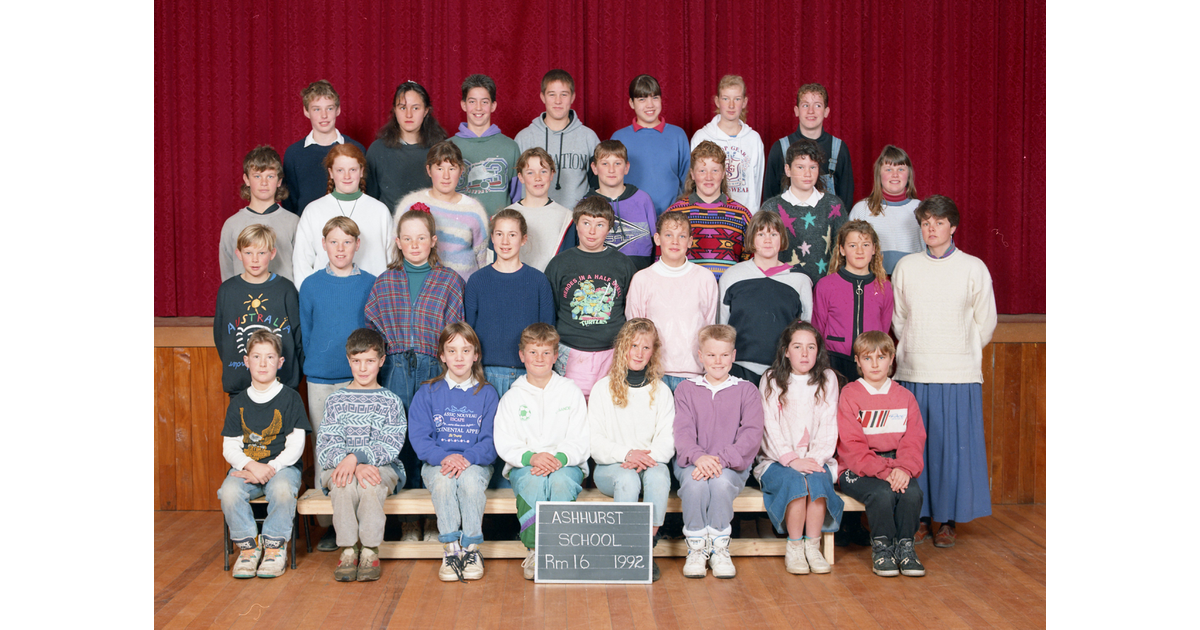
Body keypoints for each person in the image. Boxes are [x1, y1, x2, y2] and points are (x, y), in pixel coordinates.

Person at [891, 195, 997, 547]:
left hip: (957, 374)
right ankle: (919, 517)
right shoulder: (907, 267)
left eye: (938, 222)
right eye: (925, 223)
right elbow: (900, 319)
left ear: (952, 226)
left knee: (952, 450)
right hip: (915, 371)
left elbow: (986, 322)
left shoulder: (973, 268)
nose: (931, 228)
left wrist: (959, 352)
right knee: (916, 450)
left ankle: (948, 521)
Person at [365, 208, 465, 538]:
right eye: (407, 238)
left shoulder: (449, 280)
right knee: (399, 439)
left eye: (421, 237)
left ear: (433, 240)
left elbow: (456, 331)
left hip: (433, 367)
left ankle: (437, 516)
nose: (414, 243)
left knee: (435, 436)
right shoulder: (385, 282)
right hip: (394, 365)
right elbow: (373, 328)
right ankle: (407, 520)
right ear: (398, 242)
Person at [298, 216, 377, 551]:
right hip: (320, 378)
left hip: (357, 379)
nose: (340, 248)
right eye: (334, 241)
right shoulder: (311, 286)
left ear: (358, 245)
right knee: (327, 449)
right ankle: (329, 525)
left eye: (347, 241)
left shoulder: (371, 283)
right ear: (324, 245)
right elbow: (305, 330)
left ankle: (360, 520)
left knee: (358, 447)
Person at [493, 323, 590, 580]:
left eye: (546, 352)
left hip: (565, 464)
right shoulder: (512, 398)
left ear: (556, 356)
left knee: (559, 483)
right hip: (526, 465)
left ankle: (558, 550)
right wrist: (532, 457)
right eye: (533, 352)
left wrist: (559, 459)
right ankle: (535, 550)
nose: (539, 358)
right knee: (534, 482)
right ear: (522, 355)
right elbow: (504, 441)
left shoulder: (570, 392)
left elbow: (580, 438)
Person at [672, 324, 765, 579]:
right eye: (711, 355)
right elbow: (682, 431)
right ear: (700, 356)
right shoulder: (686, 389)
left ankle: (720, 547)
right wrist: (699, 457)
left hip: (731, 465)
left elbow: (751, 434)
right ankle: (697, 549)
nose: (718, 361)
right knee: (695, 484)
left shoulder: (747, 390)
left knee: (721, 484)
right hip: (693, 461)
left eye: (724, 355)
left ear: (733, 356)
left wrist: (721, 460)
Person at [409, 322, 499, 582]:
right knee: (444, 481)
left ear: (476, 355)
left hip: (476, 464)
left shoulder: (487, 393)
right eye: (452, 351)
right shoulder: (427, 392)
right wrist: (444, 457)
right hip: (439, 463)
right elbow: (419, 437)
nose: (459, 357)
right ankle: (451, 550)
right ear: (441, 355)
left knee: (470, 481)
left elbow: (491, 440)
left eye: (465, 350)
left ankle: (471, 549)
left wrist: (468, 458)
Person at [587, 318, 675, 582]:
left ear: (653, 352)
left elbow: (667, 440)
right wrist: (627, 454)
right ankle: (623, 550)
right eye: (633, 345)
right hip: (611, 468)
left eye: (646, 348)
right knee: (627, 478)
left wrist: (643, 459)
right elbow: (594, 441)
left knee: (659, 475)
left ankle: (645, 549)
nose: (639, 353)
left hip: (650, 465)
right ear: (622, 348)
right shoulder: (603, 389)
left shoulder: (661, 391)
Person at [218, 330, 311, 578]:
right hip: (247, 469)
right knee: (228, 491)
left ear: (280, 363)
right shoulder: (238, 402)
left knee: (282, 490)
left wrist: (271, 467)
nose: (262, 363)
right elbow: (230, 446)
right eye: (256, 357)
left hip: (282, 468)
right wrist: (251, 465)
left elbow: (296, 444)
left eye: (270, 357)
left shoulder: (291, 398)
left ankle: (274, 546)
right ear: (246, 361)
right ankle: (248, 548)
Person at [316, 328, 406, 582]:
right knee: (343, 486)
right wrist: (353, 464)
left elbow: (391, 443)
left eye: (369, 361)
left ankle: (369, 550)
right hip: (339, 467)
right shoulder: (336, 400)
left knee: (369, 485)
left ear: (382, 361)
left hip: (382, 466)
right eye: (356, 361)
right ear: (348, 361)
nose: (363, 368)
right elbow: (326, 444)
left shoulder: (390, 401)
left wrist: (357, 458)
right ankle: (347, 550)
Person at [755, 321, 844, 575]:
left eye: (811, 347)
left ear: (818, 351)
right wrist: (792, 459)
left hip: (816, 458)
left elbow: (829, 427)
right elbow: (769, 426)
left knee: (816, 479)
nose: (804, 354)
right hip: (777, 460)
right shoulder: (771, 379)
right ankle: (794, 547)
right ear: (786, 351)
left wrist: (814, 459)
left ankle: (812, 546)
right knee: (796, 482)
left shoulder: (827, 379)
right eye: (797, 347)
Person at [836, 331, 927, 577]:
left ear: (892, 359)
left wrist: (904, 469)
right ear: (857, 361)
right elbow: (852, 447)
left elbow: (914, 440)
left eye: (881, 357)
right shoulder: (850, 395)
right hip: (857, 469)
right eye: (867, 358)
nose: (875, 364)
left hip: (898, 466)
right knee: (882, 493)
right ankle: (883, 549)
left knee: (912, 493)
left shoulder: (904, 397)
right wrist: (887, 472)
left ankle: (905, 548)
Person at [543, 197, 638, 399]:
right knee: (570, 408)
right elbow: (552, 310)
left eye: (600, 224)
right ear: (576, 224)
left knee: (609, 407)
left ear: (609, 228)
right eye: (586, 223)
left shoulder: (623, 264)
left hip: (612, 352)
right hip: (570, 351)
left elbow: (629, 309)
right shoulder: (560, 264)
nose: (592, 231)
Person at [465, 208, 555, 398]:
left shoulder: (538, 281)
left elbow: (547, 333)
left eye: (512, 235)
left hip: (527, 373)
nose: (505, 241)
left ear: (523, 239)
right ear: (492, 238)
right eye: (499, 234)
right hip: (484, 373)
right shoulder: (477, 281)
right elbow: (468, 332)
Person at [625, 211, 718, 391]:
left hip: (694, 375)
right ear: (657, 239)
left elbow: (710, 328)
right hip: (654, 374)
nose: (675, 242)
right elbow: (634, 331)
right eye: (669, 235)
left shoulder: (705, 278)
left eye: (681, 236)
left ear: (690, 242)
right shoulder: (642, 279)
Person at [717, 211, 812, 383]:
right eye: (761, 234)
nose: (767, 240)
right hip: (739, 368)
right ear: (752, 239)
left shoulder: (800, 280)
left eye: (773, 234)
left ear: (782, 239)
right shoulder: (732, 276)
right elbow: (722, 326)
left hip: (783, 369)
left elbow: (806, 328)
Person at [213, 224, 301, 395]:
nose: (255, 259)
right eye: (248, 253)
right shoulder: (227, 290)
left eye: (261, 253)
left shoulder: (286, 289)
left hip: (283, 384)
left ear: (272, 254)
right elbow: (221, 336)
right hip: (241, 384)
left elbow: (297, 336)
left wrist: (292, 376)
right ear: (238, 254)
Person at [292, 143, 392, 289]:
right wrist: (310, 296)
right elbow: (302, 263)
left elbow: (392, 260)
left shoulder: (380, 211)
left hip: (372, 298)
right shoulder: (313, 211)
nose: (347, 176)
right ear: (331, 173)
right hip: (325, 296)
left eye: (353, 169)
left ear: (362, 171)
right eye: (340, 170)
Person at [393, 141, 490, 282]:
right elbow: (396, 251)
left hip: (463, 289)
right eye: (439, 168)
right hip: (422, 289)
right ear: (429, 170)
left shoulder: (474, 210)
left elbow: (483, 259)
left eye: (452, 168)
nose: (446, 176)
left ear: (461, 170)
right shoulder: (409, 204)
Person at [812, 220, 894, 385]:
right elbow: (817, 328)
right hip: (834, 361)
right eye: (852, 245)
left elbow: (883, 329)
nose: (859, 251)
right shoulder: (826, 285)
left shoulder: (884, 287)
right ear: (842, 249)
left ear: (874, 249)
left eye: (865, 245)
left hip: (871, 363)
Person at [759, 139, 847, 290]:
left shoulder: (833, 205)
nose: (807, 174)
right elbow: (762, 254)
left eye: (813, 167)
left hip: (825, 290)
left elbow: (843, 251)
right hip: (782, 289)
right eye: (800, 167)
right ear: (788, 169)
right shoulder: (771, 208)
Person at [514, 69, 601, 211]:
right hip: (533, 217)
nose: (558, 101)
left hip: (577, 221)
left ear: (573, 97)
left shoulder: (589, 137)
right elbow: (514, 187)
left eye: (564, 94)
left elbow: (598, 185)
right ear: (542, 97)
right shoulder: (524, 138)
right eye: (552, 94)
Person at [665, 140, 753, 280]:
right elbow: (662, 260)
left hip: (728, 294)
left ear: (724, 173)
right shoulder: (675, 213)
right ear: (692, 174)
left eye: (715, 170)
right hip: (687, 293)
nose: (708, 177)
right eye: (702, 171)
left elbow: (752, 261)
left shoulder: (742, 215)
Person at [282, 80, 366, 215]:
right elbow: (289, 204)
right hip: (308, 229)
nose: (324, 115)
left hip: (348, 229)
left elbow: (365, 196)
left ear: (338, 110)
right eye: (316, 109)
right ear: (306, 111)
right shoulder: (294, 154)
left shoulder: (356, 149)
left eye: (329, 108)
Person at [610, 74, 690, 216]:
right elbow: (611, 182)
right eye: (642, 99)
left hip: (671, 219)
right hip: (630, 218)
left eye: (655, 97)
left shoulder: (678, 135)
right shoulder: (619, 138)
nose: (650, 105)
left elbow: (687, 182)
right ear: (631, 103)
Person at [366, 80, 449, 212]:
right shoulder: (377, 150)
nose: (408, 114)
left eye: (415, 108)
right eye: (402, 108)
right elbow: (370, 200)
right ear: (395, 110)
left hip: (432, 227)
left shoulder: (441, 149)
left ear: (426, 111)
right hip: (391, 229)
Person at [763, 82, 852, 205]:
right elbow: (769, 200)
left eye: (817, 106)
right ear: (796, 110)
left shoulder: (839, 149)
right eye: (805, 105)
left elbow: (845, 201)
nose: (811, 111)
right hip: (786, 223)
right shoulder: (779, 149)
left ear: (826, 112)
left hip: (830, 224)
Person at [219, 145, 298, 282]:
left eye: (270, 176)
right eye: (257, 176)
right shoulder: (232, 225)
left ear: (279, 181)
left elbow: (301, 269)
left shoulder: (293, 222)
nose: (264, 183)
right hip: (243, 301)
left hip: (283, 300)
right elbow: (228, 275)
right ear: (246, 179)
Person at [689, 75, 764, 212]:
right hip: (708, 215)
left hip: (745, 217)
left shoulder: (753, 139)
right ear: (717, 101)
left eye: (737, 99)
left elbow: (757, 184)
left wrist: (753, 218)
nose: (731, 105)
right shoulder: (701, 137)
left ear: (745, 102)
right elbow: (694, 181)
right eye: (725, 98)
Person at [449, 74, 521, 217]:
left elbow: (517, 199)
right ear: (463, 105)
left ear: (493, 106)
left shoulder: (510, 147)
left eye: (484, 102)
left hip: (500, 234)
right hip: (459, 231)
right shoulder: (448, 147)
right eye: (472, 101)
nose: (478, 108)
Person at [848, 145, 923, 274]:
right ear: (879, 174)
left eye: (900, 169)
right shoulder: (862, 209)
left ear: (909, 174)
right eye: (888, 169)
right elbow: (850, 250)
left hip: (913, 278)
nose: (895, 175)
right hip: (873, 280)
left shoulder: (920, 208)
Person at [583, 140, 657, 270]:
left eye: (617, 163)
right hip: (600, 273)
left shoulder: (643, 199)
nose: (611, 170)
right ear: (594, 168)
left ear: (626, 167)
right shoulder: (585, 204)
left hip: (640, 274)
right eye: (605, 164)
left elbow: (657, 242)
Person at [503, 148, 574, 271]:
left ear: (552, 174)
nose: (538, 178)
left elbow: (571, 263)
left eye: (543, 171)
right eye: (530, 172)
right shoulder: (503, 217)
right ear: (521, 177)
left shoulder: (567, 217)